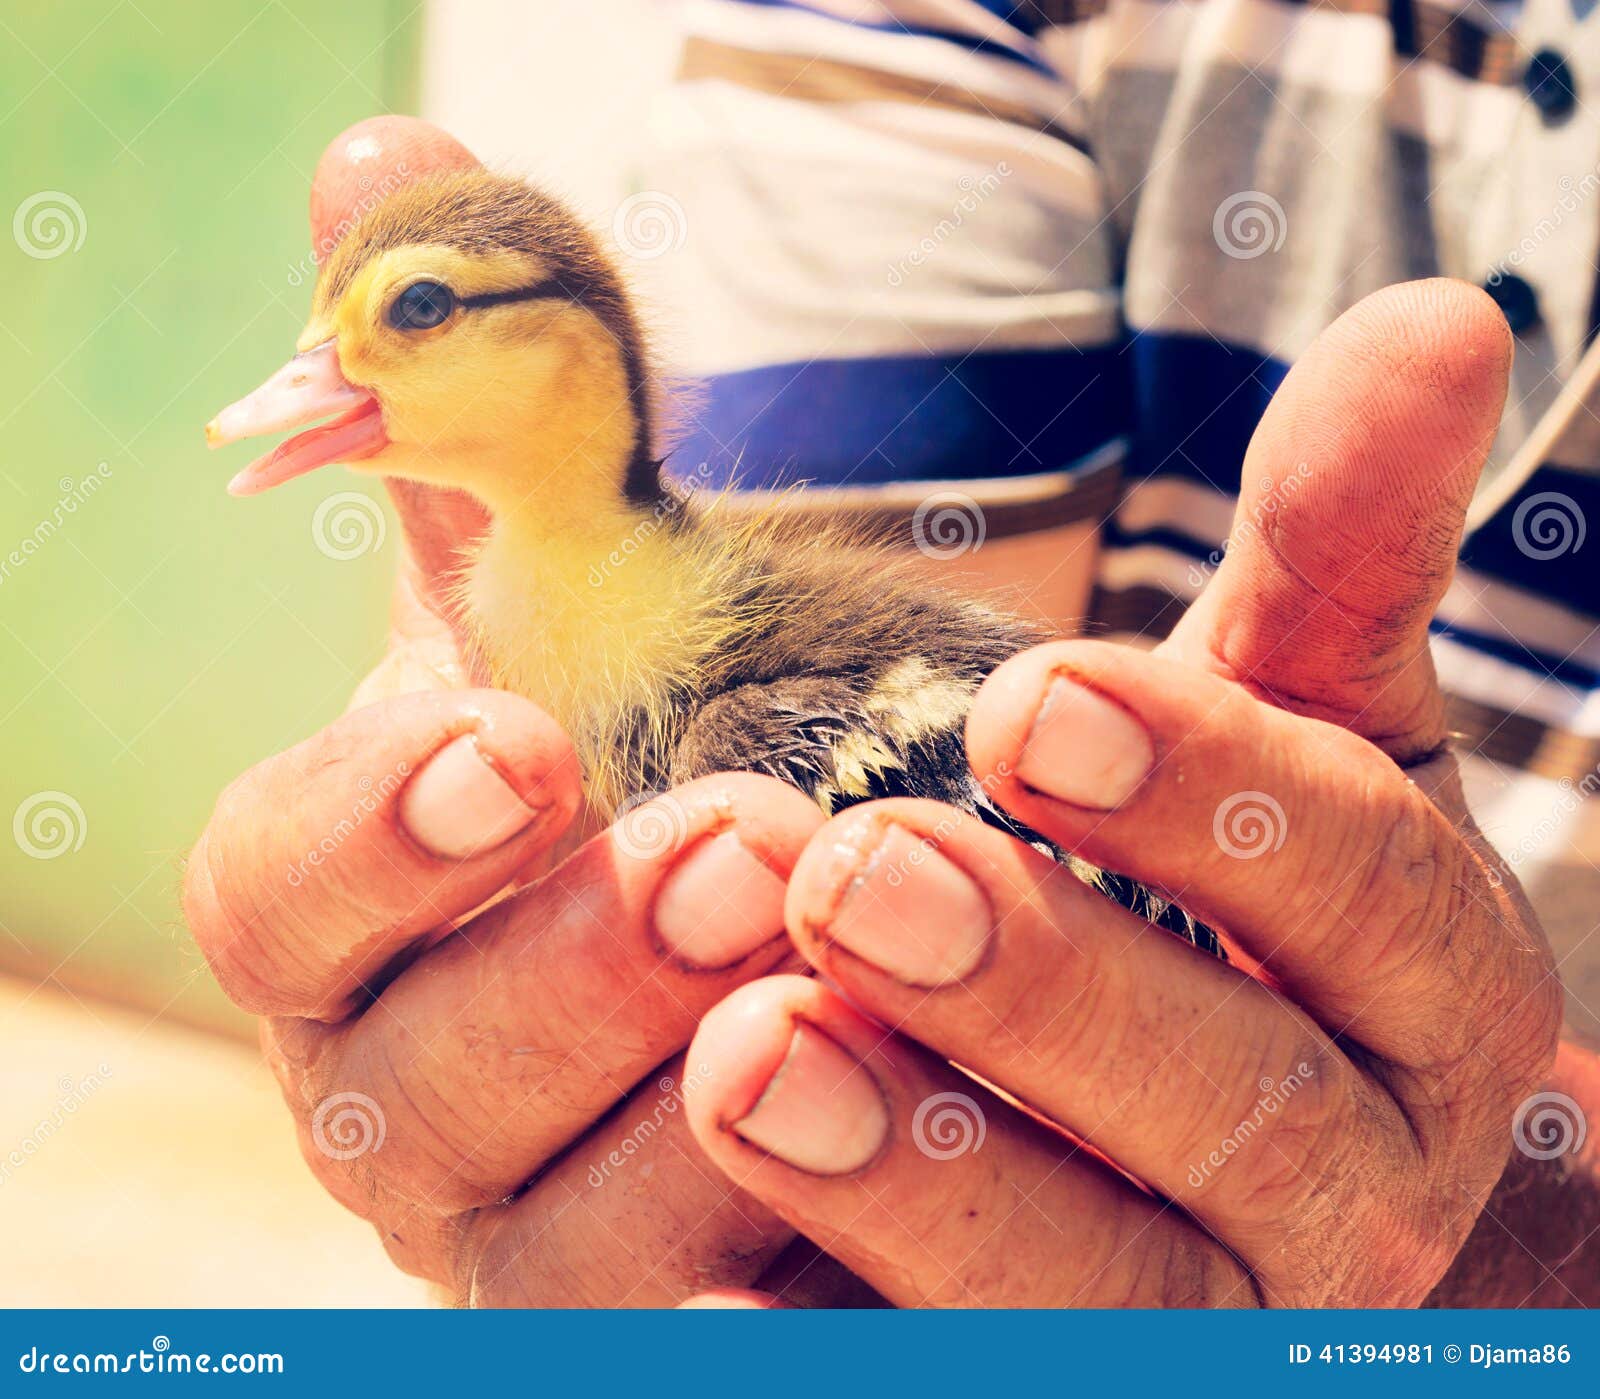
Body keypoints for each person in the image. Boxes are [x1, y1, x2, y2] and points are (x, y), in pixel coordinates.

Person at [184, 0, 1599, 1306]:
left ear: (566, 347)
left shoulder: (739, 700)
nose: (323, 377)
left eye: (415, 315)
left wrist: (1478, 1226)